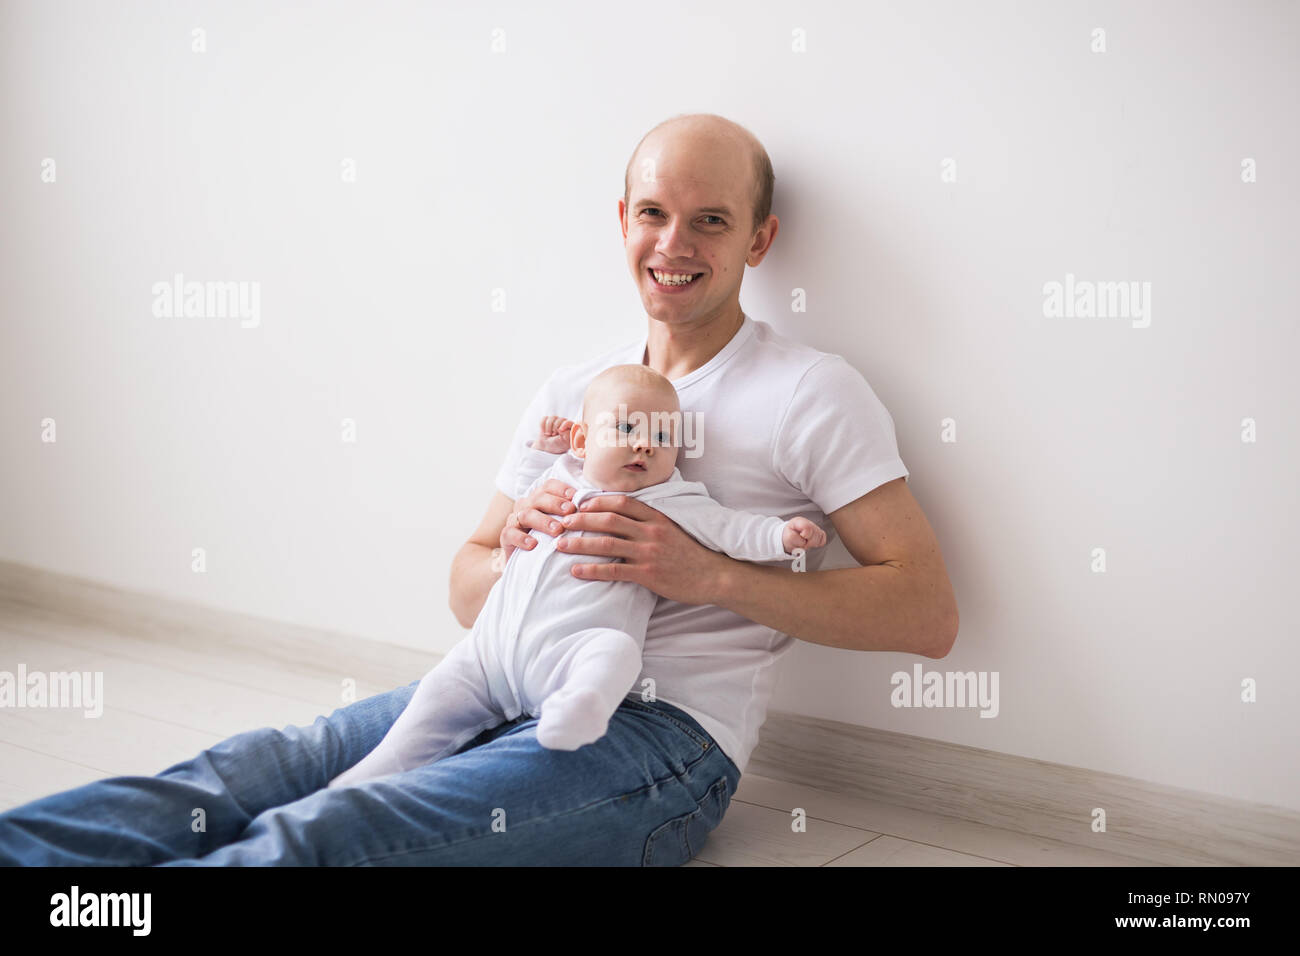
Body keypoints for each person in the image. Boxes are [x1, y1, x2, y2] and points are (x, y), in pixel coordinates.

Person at [0, 112, 958, 867]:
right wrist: (516, 551)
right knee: (247, 774)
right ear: (622, 222)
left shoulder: (808, 391)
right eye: (655, 212)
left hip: (660, 741)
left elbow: (926, 612)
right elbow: (464, 586)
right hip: (496, 680)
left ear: (760, 239)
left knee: (326, 836)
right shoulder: (576, 396)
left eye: (712, 218)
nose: (676, 242)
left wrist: (707, 575)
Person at [328, 364, 827, 788]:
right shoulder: (557, 476)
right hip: (487, 655)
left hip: (568, 655)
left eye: (662, 437)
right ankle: (371, 774)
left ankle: (581, 707)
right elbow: (519, 497)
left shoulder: (671, 500)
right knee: (431, 703)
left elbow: (730, 529)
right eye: (627, 429)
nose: (646, 446)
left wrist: (781, 536)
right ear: (584, 440)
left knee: (616, 652)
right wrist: (539, 451)